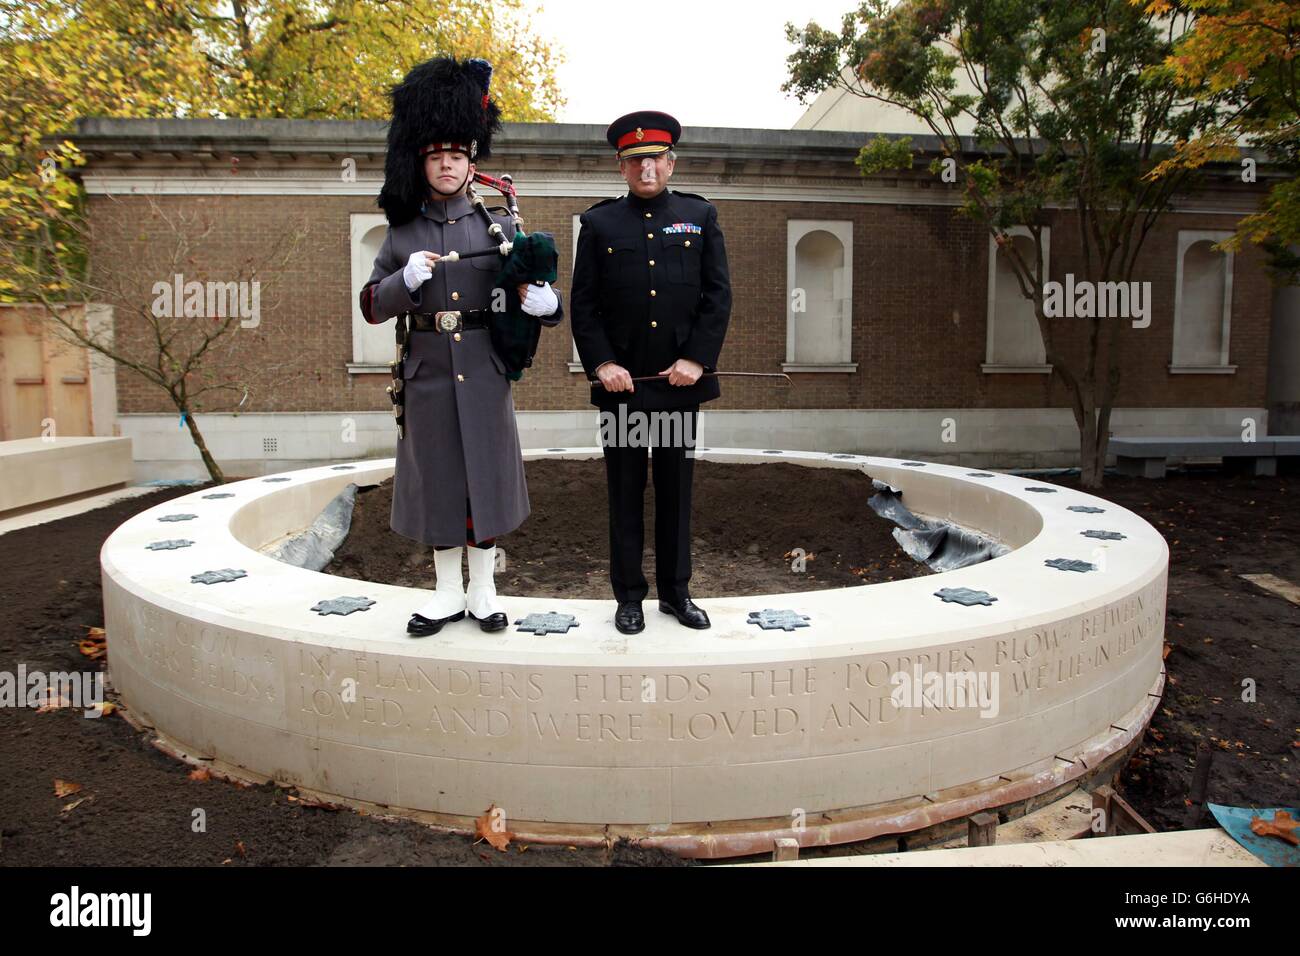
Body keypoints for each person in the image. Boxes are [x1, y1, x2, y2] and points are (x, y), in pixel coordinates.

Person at [360, 56, 563, 636]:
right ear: (421, 161)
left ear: (472, 160)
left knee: (485, 481)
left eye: (456, 154)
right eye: (435, 155)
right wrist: (405, 282)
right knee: (441, 482)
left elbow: (532, 293)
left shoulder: (498, 226)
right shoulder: (402, 231)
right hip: (426, 373)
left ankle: (484, 589)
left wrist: (548, 305)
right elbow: (371, 304)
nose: (446, 164)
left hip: (483, 369)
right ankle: (447, 591)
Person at [569, 110, 732, 635]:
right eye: (636, 160)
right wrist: (603, 363)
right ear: (621, 167)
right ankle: (629, 597)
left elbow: (717, 295)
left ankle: (676, 593)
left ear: (671, 163)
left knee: (675, 495)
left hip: (679, 387)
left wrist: (697, 359)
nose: (647, 169)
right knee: (624, 494)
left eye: (656, 159)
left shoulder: (699, 215)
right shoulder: (599, 224)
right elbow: (584, 304)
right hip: (623, 391)